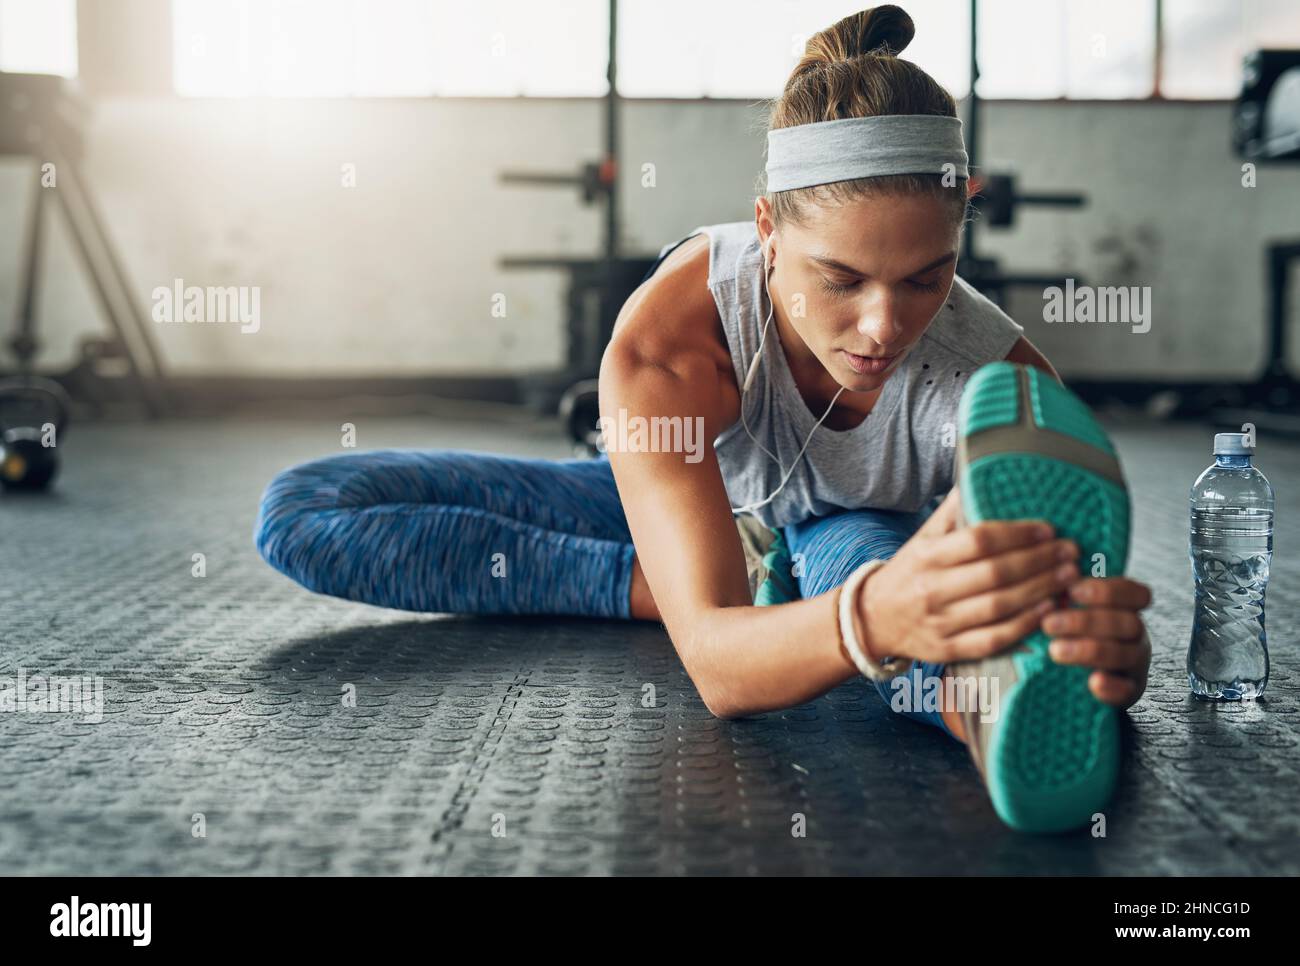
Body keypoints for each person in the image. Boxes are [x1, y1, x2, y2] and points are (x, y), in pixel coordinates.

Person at [254, 5, 1152, 832]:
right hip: (707, 506)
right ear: (767, 228)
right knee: (308, 513)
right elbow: (721, 672)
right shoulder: (669, 344)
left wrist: (1099, 650)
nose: (884, 327)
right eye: (840, 280)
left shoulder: (998, 379)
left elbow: (1054, 593)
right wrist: (733, 618)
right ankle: (705, 592)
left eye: (927, 278)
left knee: (877, 570)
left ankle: (968, 702)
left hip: (868, 540)